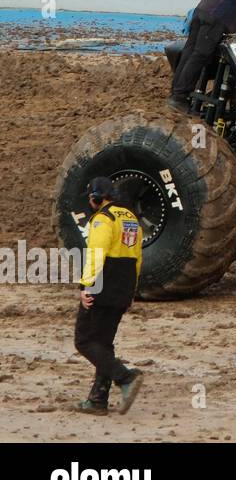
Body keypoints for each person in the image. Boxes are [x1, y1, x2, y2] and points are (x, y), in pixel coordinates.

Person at [73, 177, 144, 416]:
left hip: (103, 285)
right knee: (103, 343)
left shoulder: (103, 219)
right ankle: (97, 399)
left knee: (84, 341)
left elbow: (96, 255)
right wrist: (132, 290)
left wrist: (86, 286)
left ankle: (126, 377)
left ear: (96, 198)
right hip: (123, 286)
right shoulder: (131, 218)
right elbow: (137, 257)